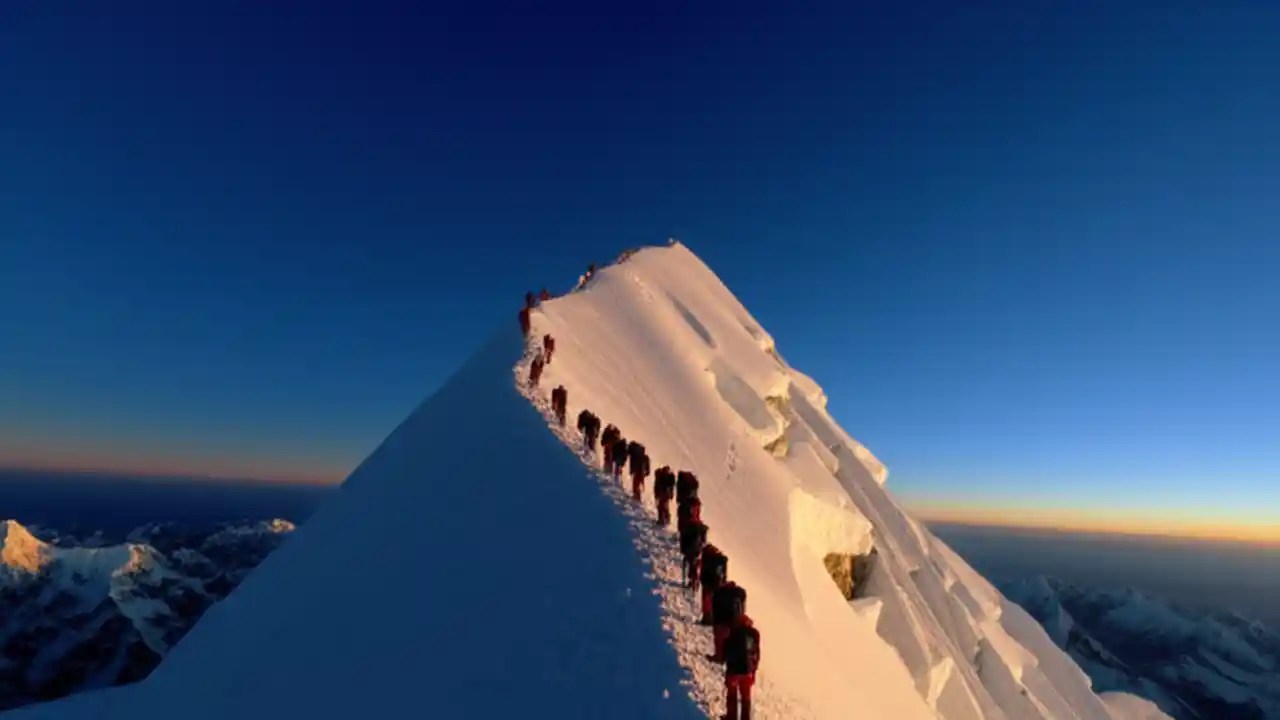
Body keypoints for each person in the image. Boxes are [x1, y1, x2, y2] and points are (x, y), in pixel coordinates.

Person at [722, 611, 760, 720]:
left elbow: (726, 651)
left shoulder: (732, 633)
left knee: (732, 695)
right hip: (747, 671)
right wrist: (754, 670)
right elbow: (755, 653)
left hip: (734, 671)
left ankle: (731, 717)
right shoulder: (754, 635)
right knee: (746, 697)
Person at [710, 581, 747, 663]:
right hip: (734, 620)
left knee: (719, 640)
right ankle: (729, 658)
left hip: (721, 620)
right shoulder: (739, 592)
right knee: (732, 640)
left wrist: (715, 623)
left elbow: (714, 608)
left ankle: (719, 657)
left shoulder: (718, 592)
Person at [700, 545, 728, 625]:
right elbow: (724, 574)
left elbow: (703, 571)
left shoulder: (707, 557)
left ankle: (707, 618)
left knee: (707, 600)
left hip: (708, 583)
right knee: (716, 601)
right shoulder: (722, 559)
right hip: (718, 583)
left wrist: (702, 580)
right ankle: (715, 618)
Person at [679, 519, 708, 589]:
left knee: (690, 564)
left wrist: (683, 550)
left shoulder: (686, 528)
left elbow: (682, 540)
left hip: (688, 550)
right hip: (698, 550)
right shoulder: (702, 528)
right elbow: (704, 541)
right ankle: (695, 581)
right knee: (695, 565)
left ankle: (690, 581)